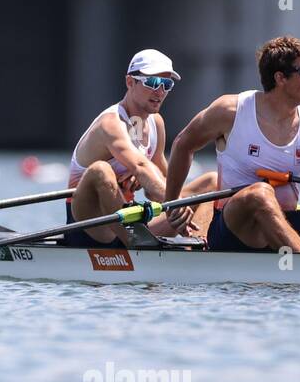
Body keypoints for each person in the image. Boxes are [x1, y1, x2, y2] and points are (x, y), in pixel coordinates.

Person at [163, 35, 300, 254]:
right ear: (280, 78)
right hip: (235, 233)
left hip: (288, 225)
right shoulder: (230, 111)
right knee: (260, 193)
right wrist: (171, 204)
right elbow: (182, 144)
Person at [65, 49, 217, 248]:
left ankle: (199, 248)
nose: (160, 91)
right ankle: (135, 245)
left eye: (167, 85)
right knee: (101, 170)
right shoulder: (110, 124)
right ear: (130, 82)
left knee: (211, 182)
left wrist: (173, 201)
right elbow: (141, 166)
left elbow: (160, 188)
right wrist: (176, 204)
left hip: (129, 218)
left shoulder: (156, 124)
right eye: (152, 83)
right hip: (89, 224)